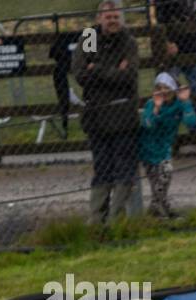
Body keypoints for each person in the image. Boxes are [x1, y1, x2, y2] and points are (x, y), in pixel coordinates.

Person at [72, 1, 141, 222]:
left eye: (115, 17)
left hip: (123, 116)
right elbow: (81, 75)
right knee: (102, 168)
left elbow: (128, 76)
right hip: (97, 117)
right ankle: (96, 219)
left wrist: (98, 69)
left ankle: (116, 220)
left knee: (123, 167)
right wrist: (112, 72)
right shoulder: (90, 38)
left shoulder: (128, 42)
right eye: (108, 17)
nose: (112, 21)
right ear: (99, 18)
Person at [139, 72, 196, 218]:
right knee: (156, 182)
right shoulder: (151, 104)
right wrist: (156, 109)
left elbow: (191, 123)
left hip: (165, 147)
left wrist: (186, 102)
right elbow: (148, 125)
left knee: (165, 174)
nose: (162, 91)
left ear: (173, 89)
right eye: (159, 88)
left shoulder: (179, 104)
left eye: (166, 87)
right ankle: (161, 210)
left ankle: (157, 209)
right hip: (148, 148)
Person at [153, 1, 196, 114]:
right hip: (173, 51)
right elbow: (158, 19)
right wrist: (167, 42)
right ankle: (166, 119)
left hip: (192, 47)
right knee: (166, 86)